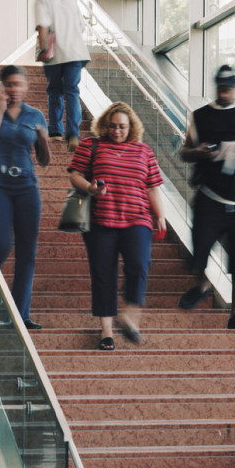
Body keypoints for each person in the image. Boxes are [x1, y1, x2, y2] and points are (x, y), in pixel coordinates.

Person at [177, 64, 235, 330]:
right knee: (200, 246)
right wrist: (200, 152)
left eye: (229, 87)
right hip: (211, 193)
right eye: (221, 87)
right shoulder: (201, 116)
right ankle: (203, 283)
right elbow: (185, 151)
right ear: (215, 86)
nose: (225, 92)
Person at [67, 101, 166, 350]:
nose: (117, 131)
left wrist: (161, 217)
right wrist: (90, 187)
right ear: (104, 126)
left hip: (137, 219)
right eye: (112, 126)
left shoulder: (143, 151)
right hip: (101, 221)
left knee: (139, 264)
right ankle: (106, 331)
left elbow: (152, 186)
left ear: (131, 126)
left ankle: (130, 315)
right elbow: (75, 174)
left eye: (122, 127)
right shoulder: (91, 145)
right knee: (103, 275)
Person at [0, 65, 51, 328]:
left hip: (27, 184)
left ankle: (21, 315)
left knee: (27, 251)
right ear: (1, 86)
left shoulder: (36, 114)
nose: (14, 89)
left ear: (26, 87)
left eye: (18, 84)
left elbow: (44, 160)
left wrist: (44, 141)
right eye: (9, 84)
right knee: (2, 243)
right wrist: (0, 108)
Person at [33, 0, 92, 148]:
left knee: (55, 91)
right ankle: (73, 134)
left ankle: (56, 132)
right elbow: (81, 26)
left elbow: (43, 25)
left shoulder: (41, 0)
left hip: (56, 52)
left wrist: (43, 49)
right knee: (72, 91)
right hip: (76, 52)